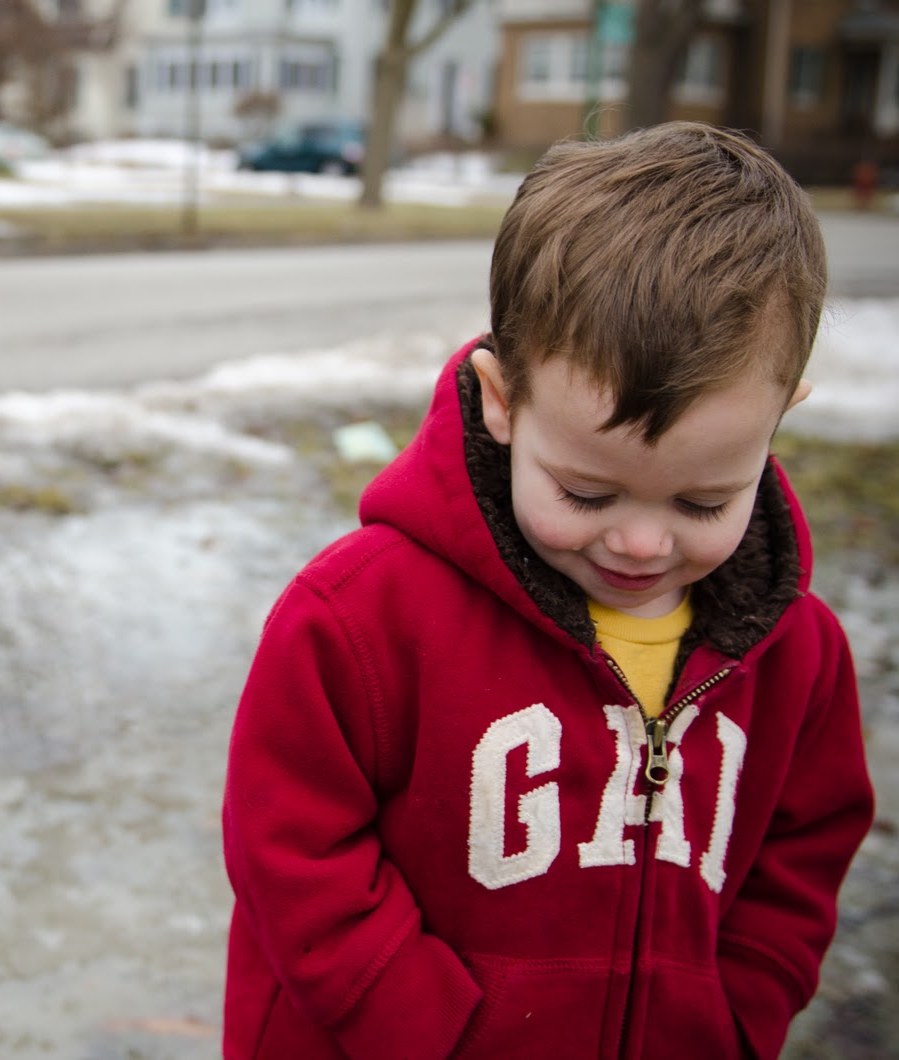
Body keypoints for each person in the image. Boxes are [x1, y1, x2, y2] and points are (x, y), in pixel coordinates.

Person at [221, 121, 874, 1059]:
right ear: (501, 399)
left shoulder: (798, 657)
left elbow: (801, 861)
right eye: (586, 491)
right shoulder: (360, 618)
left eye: (703, 499)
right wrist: (437, 1034)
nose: (643, 542)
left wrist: (735, 1016)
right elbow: (292, 850)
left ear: (779, 420)